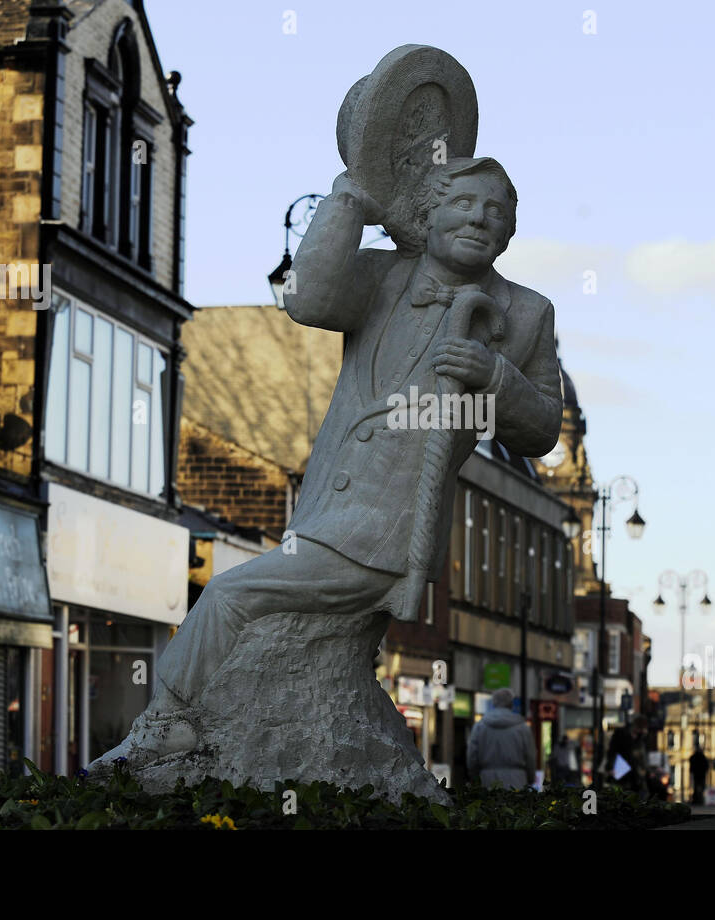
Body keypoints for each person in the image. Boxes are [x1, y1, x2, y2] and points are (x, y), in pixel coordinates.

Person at [96, 157, 562, 768]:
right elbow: (306, 299)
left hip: (390, 526)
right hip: (327, 505)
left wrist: (494, 377)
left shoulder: (527, 313)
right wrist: (348, 201)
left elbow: (544, 429)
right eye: (464, 203)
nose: (480, 218)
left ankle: (169, 722)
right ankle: (223, 735)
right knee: (262, 617)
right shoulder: (382, 275)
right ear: (428, 213)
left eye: (496, 210)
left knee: (231, 594)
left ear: (509, 233)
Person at [466, 688, 536, 789]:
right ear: (511, 704)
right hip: (517, 780)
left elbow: (472, 756)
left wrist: (475, 778)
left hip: (487, 779)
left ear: (494, 703)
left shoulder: (480, 726)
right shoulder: (523, 728)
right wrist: (530, 778)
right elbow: (530, 757)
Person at [605, 715, 647, 793]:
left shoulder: (640, 738)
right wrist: (610, 767)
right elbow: (612, 750)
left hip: (633, 772)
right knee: (619, 791)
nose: (639, 730)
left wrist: (643, 768)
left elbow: (641, 755)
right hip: (620, 767)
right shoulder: (621, 733)